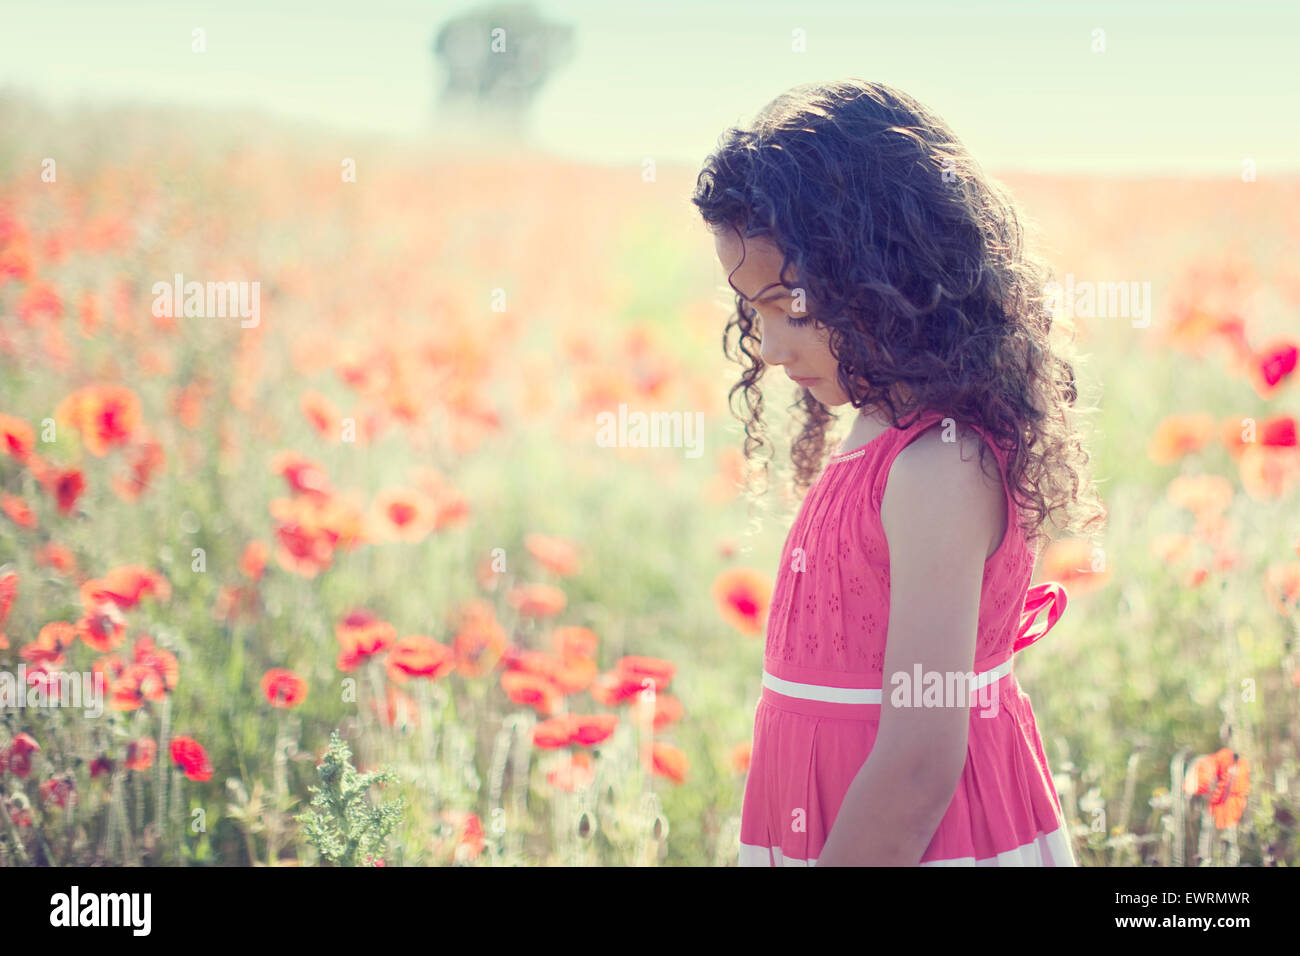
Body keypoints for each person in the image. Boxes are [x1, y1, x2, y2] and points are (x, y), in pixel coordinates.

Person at [692, 79, 1107, 866]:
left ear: (894, 274)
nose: (772, 350)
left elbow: (917, 769)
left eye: (798, 307)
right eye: (755, 313)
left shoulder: (938, 466)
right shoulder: (879, 434)